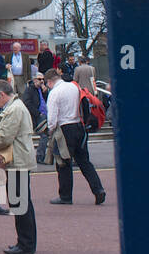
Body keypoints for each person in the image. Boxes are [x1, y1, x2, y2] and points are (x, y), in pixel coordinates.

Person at [44, 68, 106, 205]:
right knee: (84, 162)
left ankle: (65, 196)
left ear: (49, 82)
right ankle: (98, 189)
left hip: (65, 129)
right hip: (79, 126)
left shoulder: (54, 93)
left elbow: (52, 118)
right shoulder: (73, 86)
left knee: (63, 163)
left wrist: (50, 131)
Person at [0, 80, 37, 254]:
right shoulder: (16, 107)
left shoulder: (14, 109)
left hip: (18, 160)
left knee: (19, 203)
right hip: (19, 159)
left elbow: (4, 138)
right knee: (21, 202)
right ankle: (25, 241)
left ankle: (25, 243)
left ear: (2, 95)